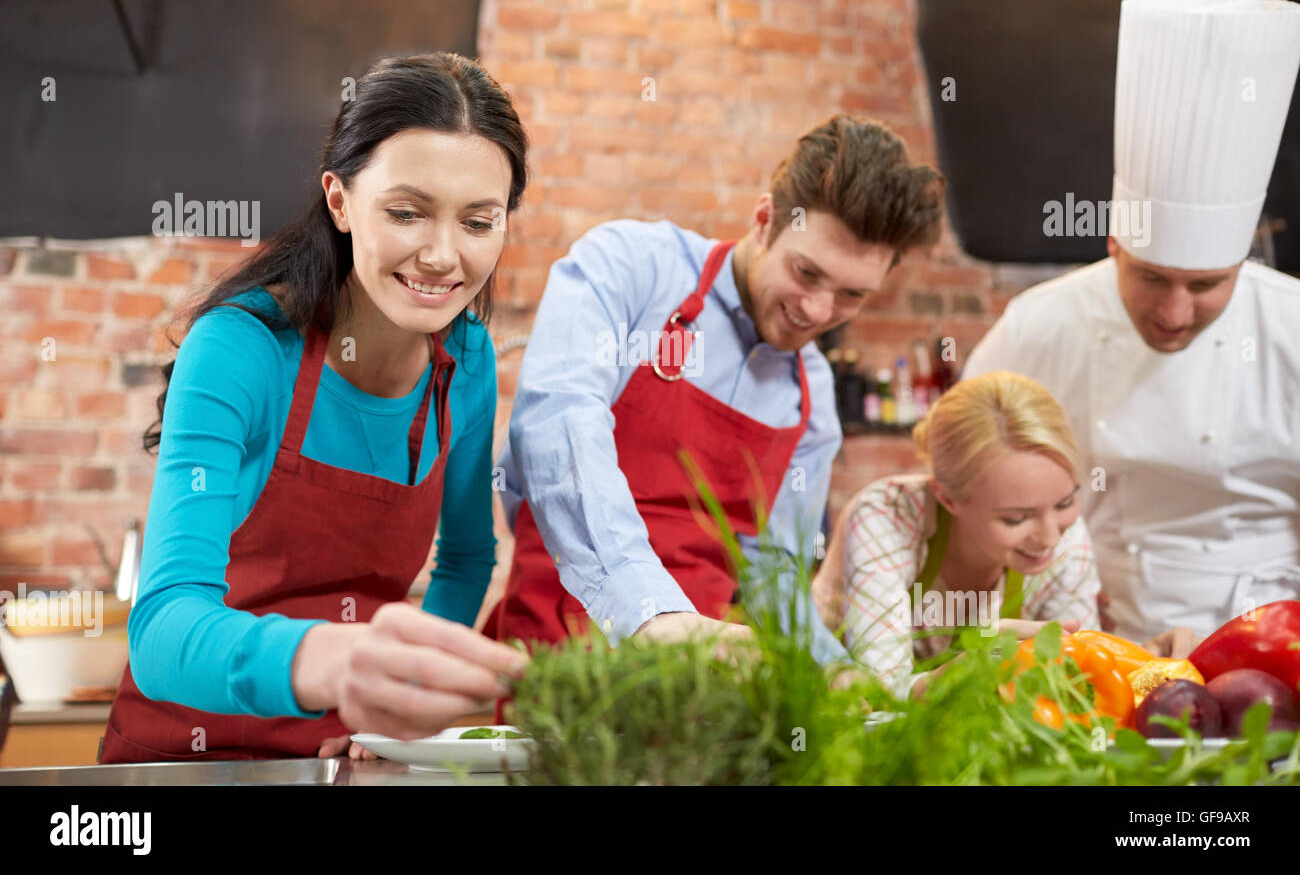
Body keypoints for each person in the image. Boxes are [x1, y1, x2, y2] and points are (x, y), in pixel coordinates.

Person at [100, 53, 529, 764]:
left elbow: (465, 557)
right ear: (340, 201)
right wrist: (335, 662)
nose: (442, 256)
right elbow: (163, 630)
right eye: (406, 213)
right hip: (183, 758)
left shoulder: (470, 361)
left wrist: (394, 720)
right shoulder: (242, 347)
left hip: (345, 755)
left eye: (479, 222)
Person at [485, 116, 946, 675]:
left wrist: (843, 679)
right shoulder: (631, 268)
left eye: (852, 295)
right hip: (557, 661)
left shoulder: (813, 398)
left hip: (697, 690)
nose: (819, 311)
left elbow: (774, 580)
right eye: (807, 273)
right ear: (764, 219)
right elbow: (556, 428)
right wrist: (653, 614)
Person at [963, 0, 1300, 657]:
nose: (1175, 314)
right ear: (1114, 244)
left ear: (1245, 257)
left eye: (1206, 285)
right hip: (1094, 638)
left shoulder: (1293, 324)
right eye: (1150, 277)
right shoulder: (1040, 325)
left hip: (1276, 644)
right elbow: (962, 474)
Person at [813, 372, 1099, 697]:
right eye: (1016, 519)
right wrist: (969, 666)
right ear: (948, 498)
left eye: (1065, 502)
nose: (1050, 537)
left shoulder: (1067, 536)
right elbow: (878, 694)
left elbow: (1083, 684)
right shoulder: (886, 516)